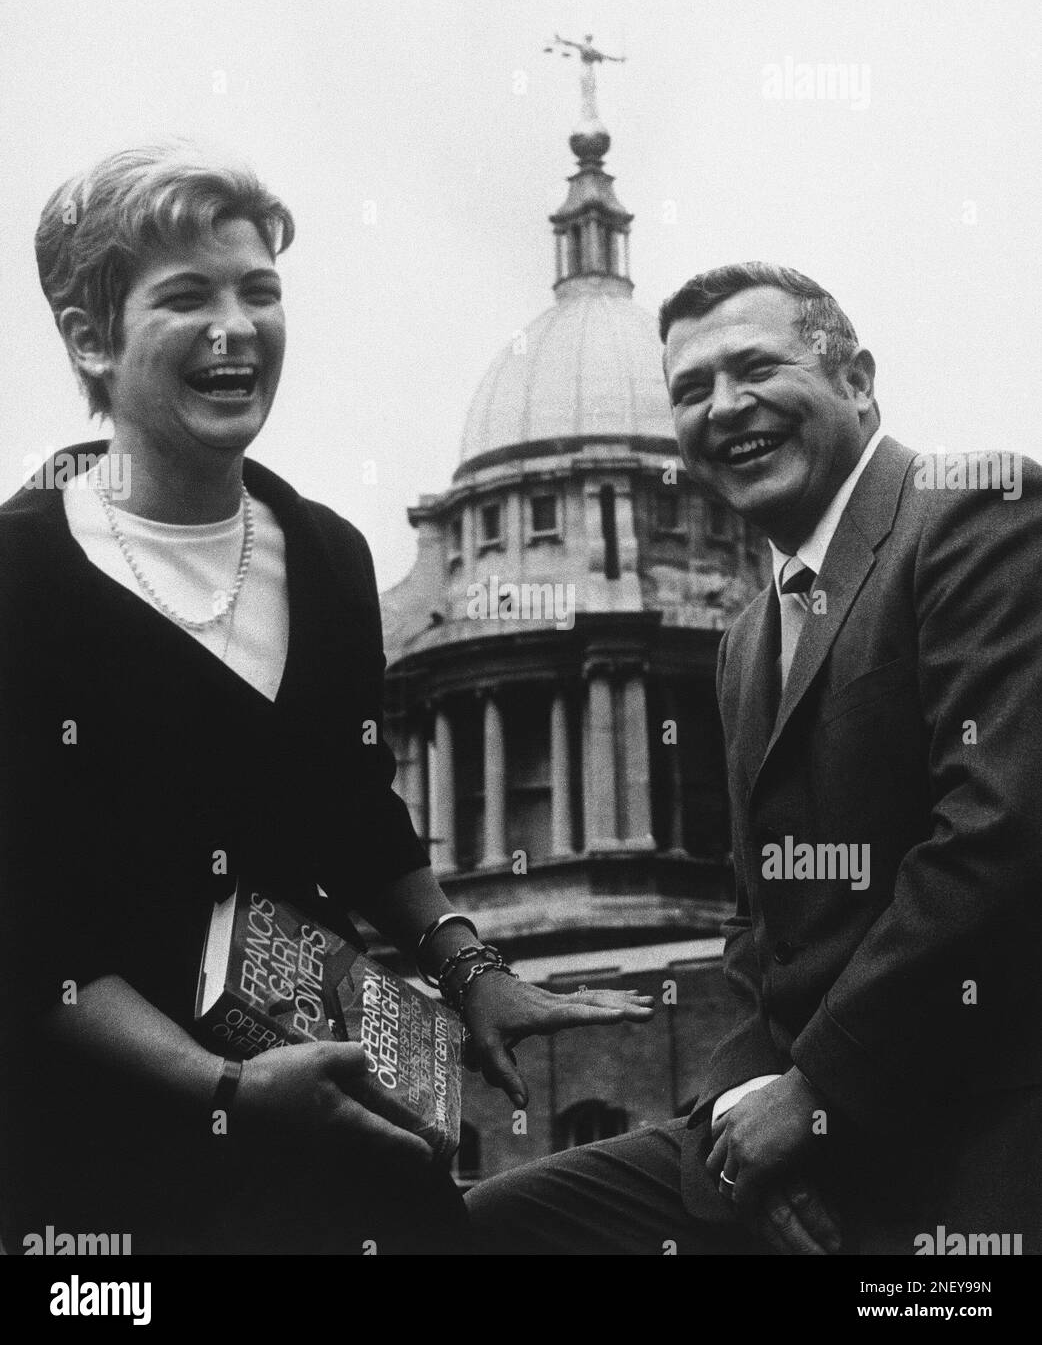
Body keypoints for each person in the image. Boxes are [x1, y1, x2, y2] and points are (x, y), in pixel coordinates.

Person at [0, 142, 653, 1255]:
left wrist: (467, 966)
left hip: (316, 1107)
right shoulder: (20, 579)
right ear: (90, 338)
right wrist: (223, 1089)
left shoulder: (328, 552)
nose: (236, 326)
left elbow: (355, 804)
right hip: (101, 1158)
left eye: (260, 290)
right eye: (188, 295)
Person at [467, 262, 1042, 1254]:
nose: (722, 407)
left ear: (854, 380)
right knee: (476, 1228)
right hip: (796, 1116)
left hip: (968, 1121)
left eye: (753, 368)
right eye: (689, 389)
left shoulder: (970, 514)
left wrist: (812, 1093)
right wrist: (750, 1107)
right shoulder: (745, 637)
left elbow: (994, 838)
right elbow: (750, 923)